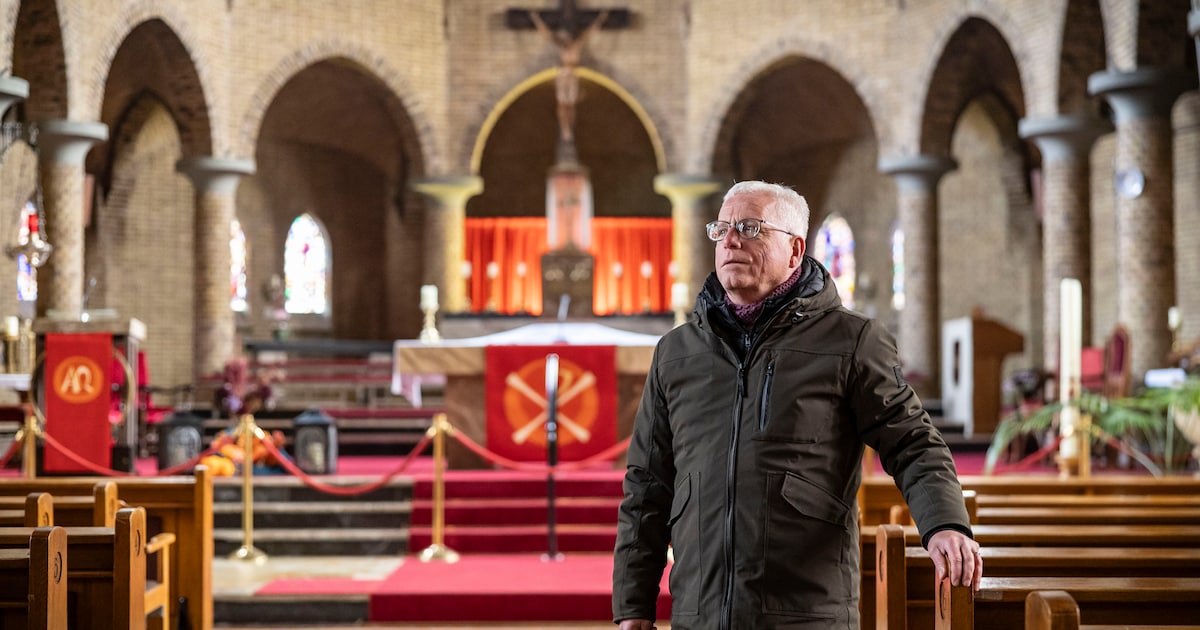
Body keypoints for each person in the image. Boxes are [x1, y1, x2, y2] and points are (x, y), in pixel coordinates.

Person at [612, 181, 981, 629]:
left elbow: (914, 443)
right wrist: (633, 607)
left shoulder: (850, 342)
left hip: (805, 613)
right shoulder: (677, 352)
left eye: (750, 228)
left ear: (795, 250)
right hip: (701, 611)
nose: (730, 240)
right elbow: (647, 485)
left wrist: (945, 525)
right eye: (722, 228)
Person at [530, 9, 608, 143]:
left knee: (571, 104)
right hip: (562, 74)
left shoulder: (576, 47)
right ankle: (564, 128)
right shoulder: (560, 48)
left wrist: (600, 19)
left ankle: (570, 128)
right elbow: (546, 34)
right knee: (561, 104)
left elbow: (590, 33)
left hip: (573, 75)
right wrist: (536, 19)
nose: (565, 40)